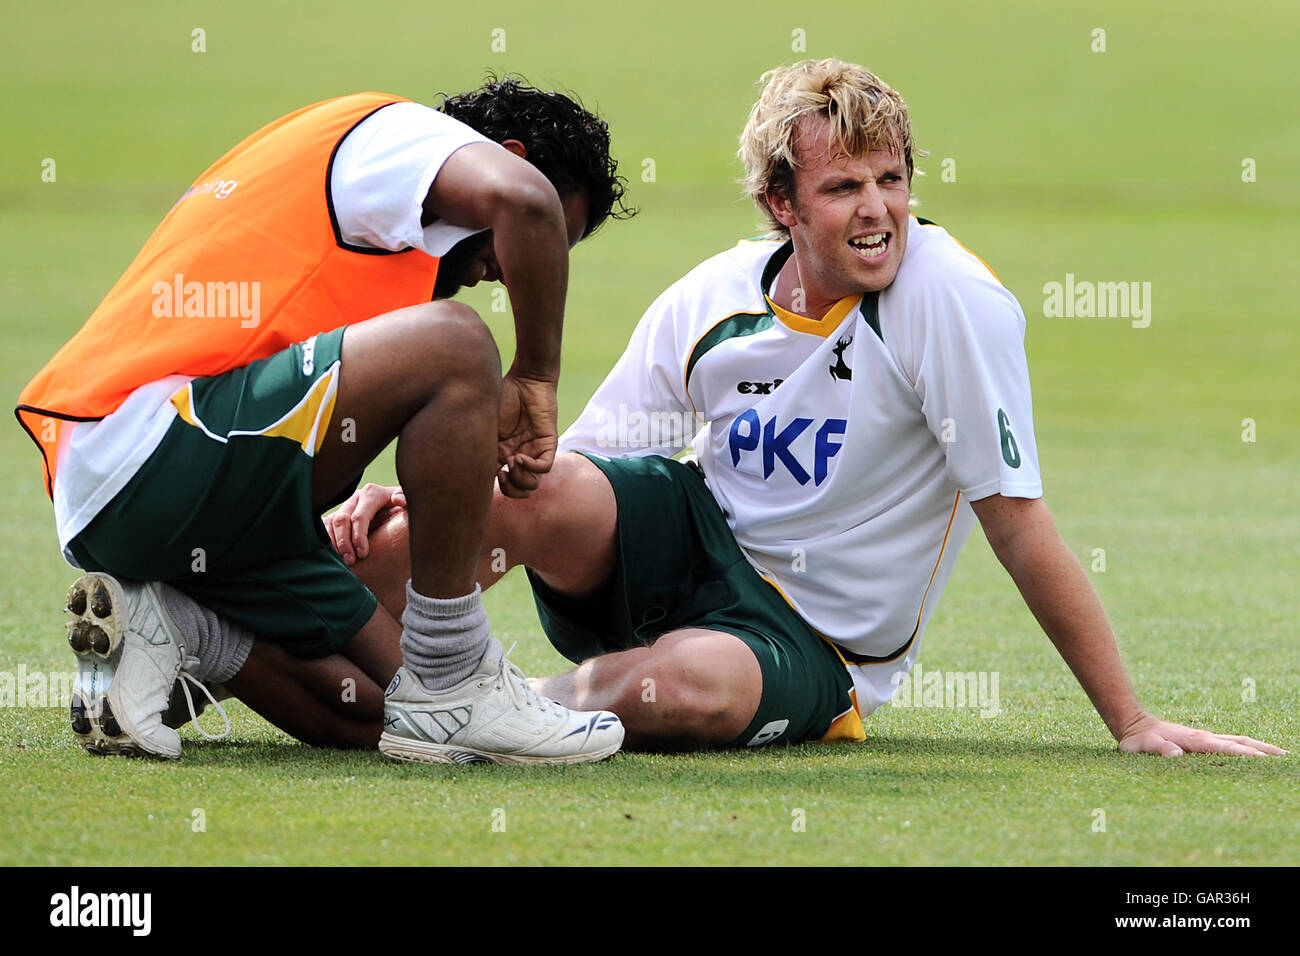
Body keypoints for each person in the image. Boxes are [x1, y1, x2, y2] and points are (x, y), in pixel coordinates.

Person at [207, 60, 1289, 758]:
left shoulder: (951, 301)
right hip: (688, 538)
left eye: (892, 180)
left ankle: (487, 702)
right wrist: (425, 493)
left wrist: (1131, 720)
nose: (877, 212)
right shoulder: (716, 293)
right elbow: (567, 461)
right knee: (494, 501)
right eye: (842, 188)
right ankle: (207, 628)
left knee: (685, 688)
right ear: (781, 201)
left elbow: (1016, 517)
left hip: (810, 637)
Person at [16, 77, 634, 765]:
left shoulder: (393, 223)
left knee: (381, 714)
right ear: (508, 155)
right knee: (461, 344)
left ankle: (173, 629)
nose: (505, 272)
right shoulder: (400, 136)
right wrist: (535, 378)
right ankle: (458, 671)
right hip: (151, 449)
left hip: (167, 499)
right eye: (525, 251)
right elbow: (527, 202)